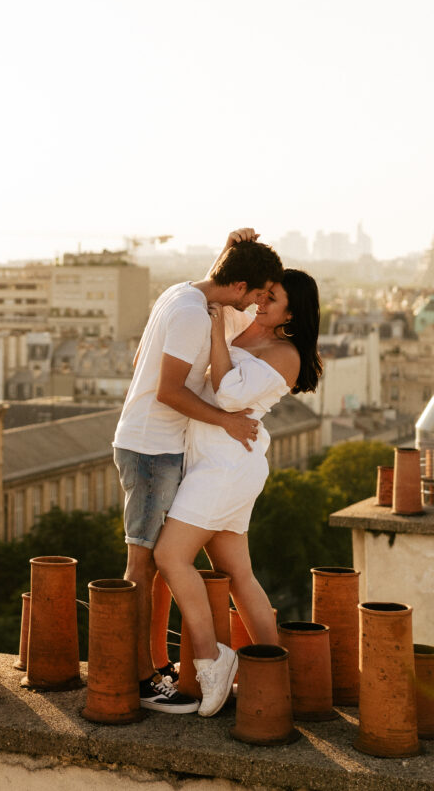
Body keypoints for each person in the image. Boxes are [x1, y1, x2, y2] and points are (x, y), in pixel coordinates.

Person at [112, 232, 284, 713]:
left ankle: (155, 668)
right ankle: (144, 679)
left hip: (156, 445)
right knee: (142, 566)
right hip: (151, 449)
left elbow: (222, 285)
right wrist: (228, 420)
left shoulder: (184, 295)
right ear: (241, 285)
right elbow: (170, 390)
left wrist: (230, 248)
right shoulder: (192, 313)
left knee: (154, 563)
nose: (256, 304)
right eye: (256, 293)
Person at [153, 267, 323, 717]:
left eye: (273, 298)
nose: (262, 301)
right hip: (212, 462)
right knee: (239, 575)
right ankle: (278, 677)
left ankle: (211, 660)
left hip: (227, 468)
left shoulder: (286, 354)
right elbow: (215, 288)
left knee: (170, 557)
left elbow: (228, 397)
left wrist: (214, 334)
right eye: (263, 292)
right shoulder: (244, 327)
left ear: (292, 312)